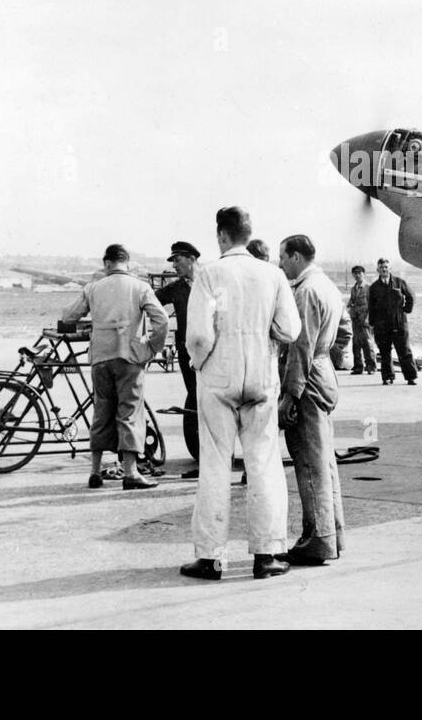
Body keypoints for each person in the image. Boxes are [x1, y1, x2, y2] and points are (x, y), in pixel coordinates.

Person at [181, 206, 300, 581]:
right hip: (262, 378)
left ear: (221, 236)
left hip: (218, 376)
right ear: (248, 235)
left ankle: (211, 557)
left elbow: (199, 335)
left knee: (214, 466)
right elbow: (290, 329)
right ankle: (267, 555)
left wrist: (200, 364)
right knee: (264, 464)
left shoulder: (210, 274)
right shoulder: (273, 274)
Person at [61, 244, 168, 490]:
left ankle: (95, 471)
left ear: (106, 263)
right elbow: (161, 320)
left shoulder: (93, 288)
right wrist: (151, 348)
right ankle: (130, 472)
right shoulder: (140, 287)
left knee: (101, 412)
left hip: (100, 359)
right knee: (130, 412)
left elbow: (68, 317)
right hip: (130, 359)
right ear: (127, 263)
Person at [278, 235, 346, 565]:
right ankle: (333, 533)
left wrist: (290, 394)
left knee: (308, 462)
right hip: (324, 371)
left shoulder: (305, 291)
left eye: (283, 257)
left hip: (308, 379)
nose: (280, 264)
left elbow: (300, 347)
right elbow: (344, 331)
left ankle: (317, 539)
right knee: (325, 462)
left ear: (295, 257)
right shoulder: (327, 285)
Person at [156, 241, 201, 462]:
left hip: (211, 353)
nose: (174, 265)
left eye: (178, 260)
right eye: (173, 261)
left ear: (192, 258)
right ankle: (200, 450)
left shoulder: (210, 282)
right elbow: (150, 300)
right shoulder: (176, 288)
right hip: (186, 354)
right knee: (194, 397)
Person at [367, 258, 417, 385]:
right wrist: (372, 324)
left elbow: (411, 296)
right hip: (382, 326)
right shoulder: (374, 288)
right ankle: (387, 377)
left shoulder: (399, 283)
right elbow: (371, 307)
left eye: (386, 267)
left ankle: (411, 377)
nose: (384, 269)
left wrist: (406, 310)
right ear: (378, 270)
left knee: (404, 350)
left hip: (399, 323)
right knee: (384, 352)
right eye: (381, 267)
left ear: (390, 269)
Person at [346, 265, 376, 374]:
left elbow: (373, 305)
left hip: (366, 319)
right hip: (355, 319)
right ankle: (358, 367)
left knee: (368, 344)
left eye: (359, 273)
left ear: (364, 274)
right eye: (355, 273)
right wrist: (350, 309)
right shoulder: (353, 289)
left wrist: (369, 318)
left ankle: (371, 366)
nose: (357, 275)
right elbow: (351, 302)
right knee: (356, 344)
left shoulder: (369, 288)